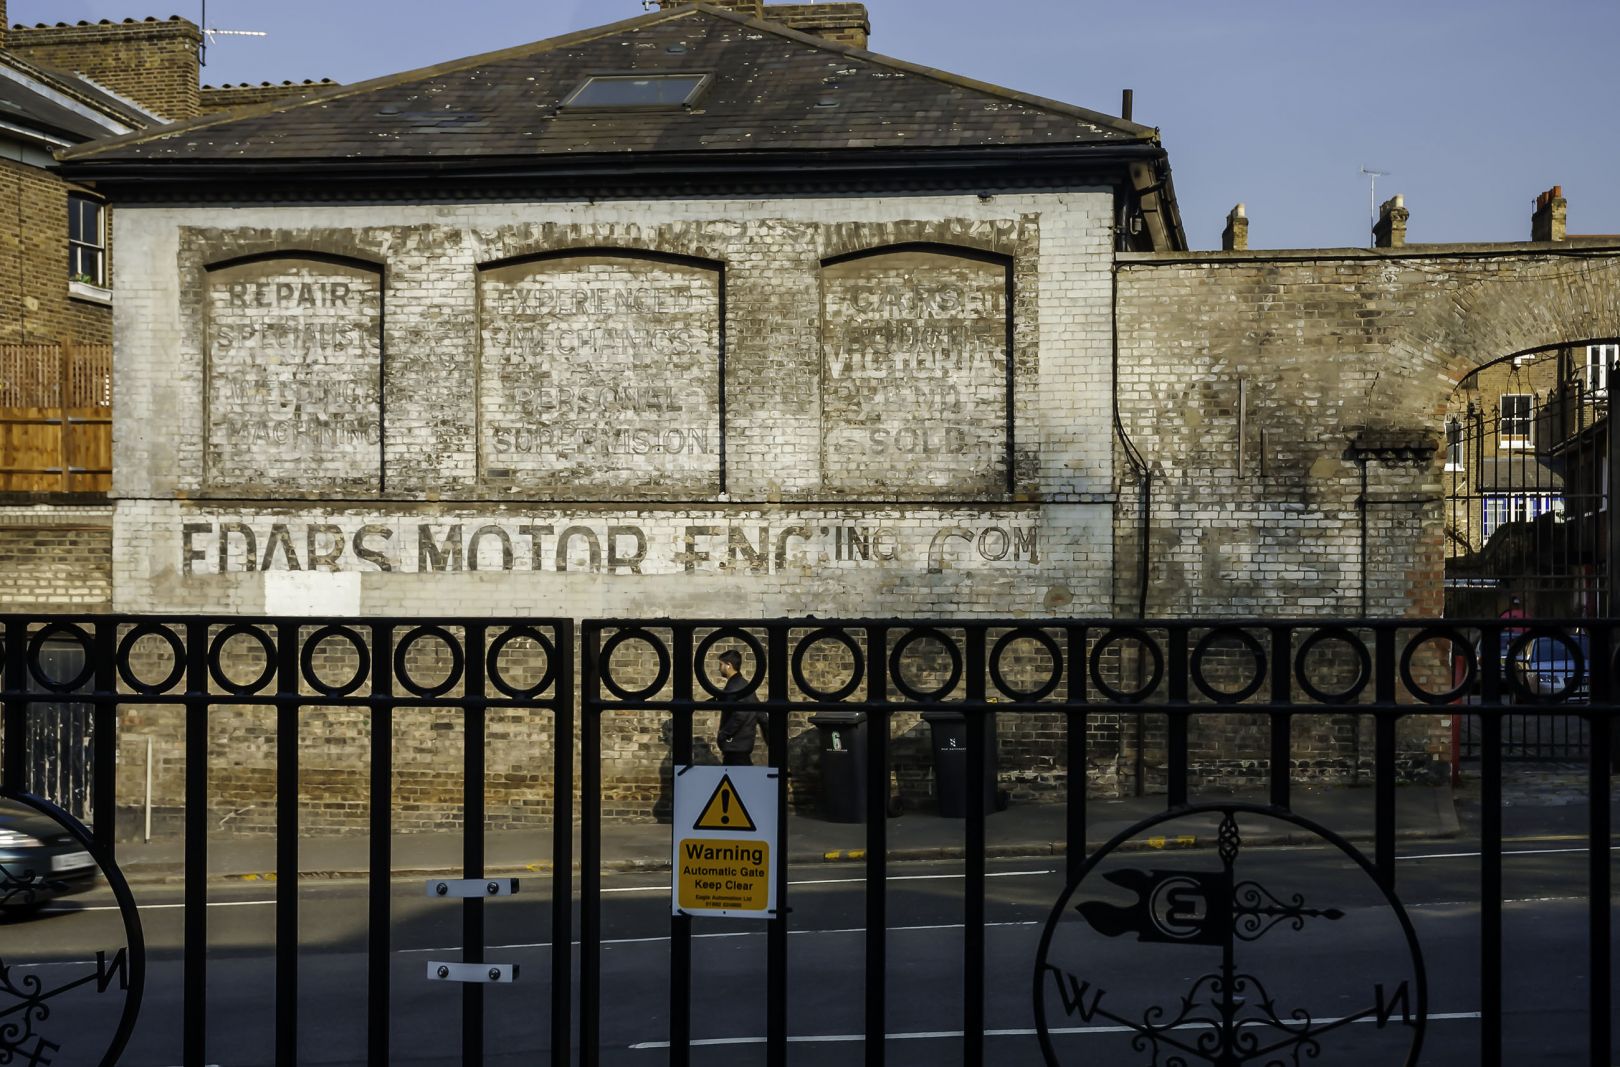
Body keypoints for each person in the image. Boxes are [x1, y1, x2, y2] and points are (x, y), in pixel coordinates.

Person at [715, 649, 760, 766]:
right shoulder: (743, 684)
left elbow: (740, 713)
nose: (719, 668)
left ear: (729, 665)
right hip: (741, 745)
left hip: (735, 745)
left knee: (734, 780)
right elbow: (760, 713)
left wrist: (724, 734)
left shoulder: (735, 686)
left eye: (721, 664)